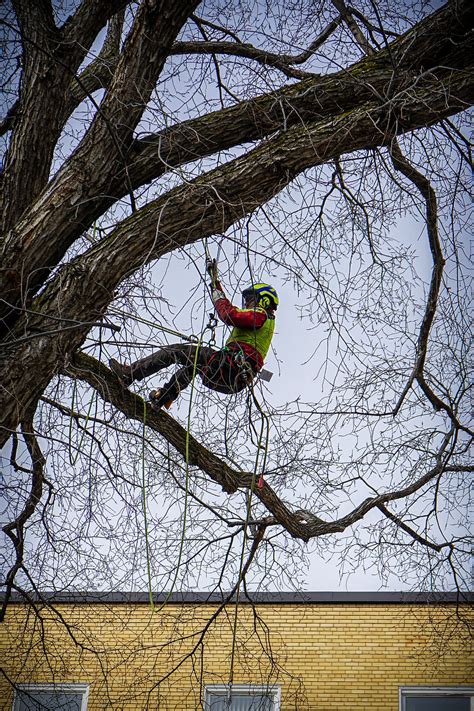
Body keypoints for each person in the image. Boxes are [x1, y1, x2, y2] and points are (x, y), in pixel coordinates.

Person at [109, 267, 278, 411]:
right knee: (193, 365)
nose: (247, 304)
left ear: (263, 300)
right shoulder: (265, 325)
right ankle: (163, 397)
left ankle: (129, 374)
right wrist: (215, 284)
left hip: (230, 366)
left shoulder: (260, 315)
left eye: (250, 299)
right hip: (233, 379)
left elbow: (229, 314)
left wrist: (217, 292)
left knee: (176, 351)